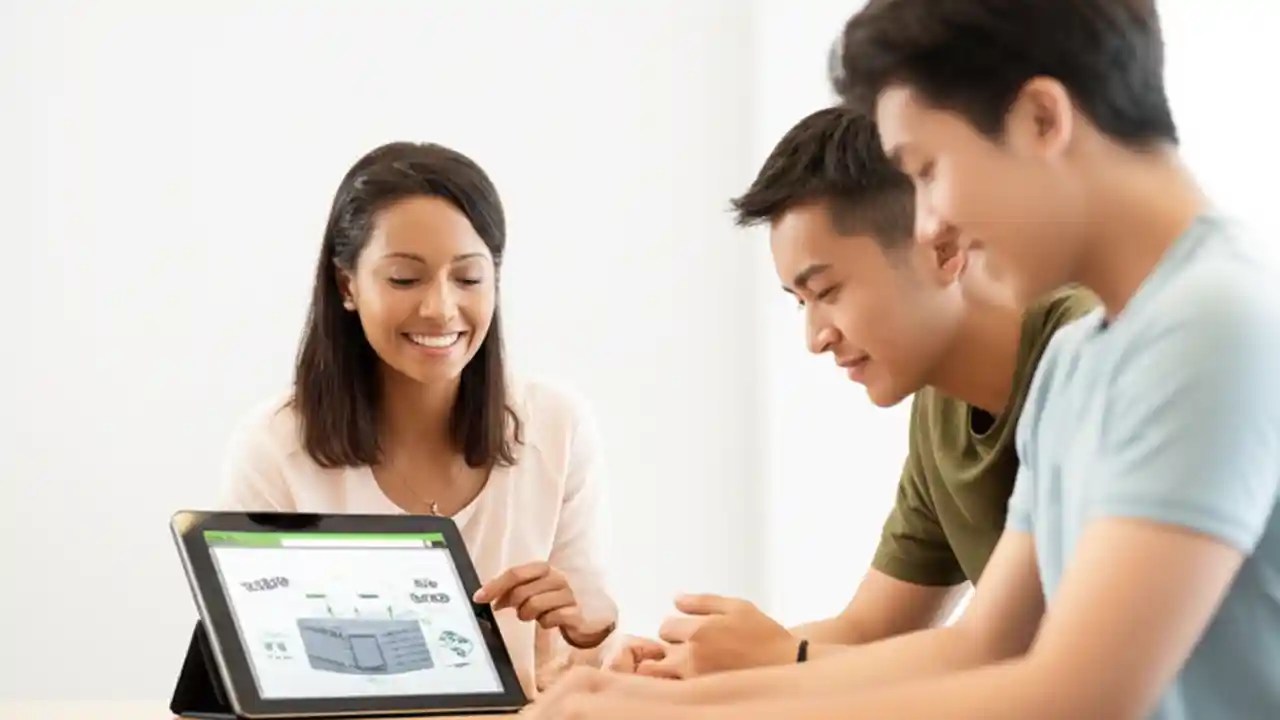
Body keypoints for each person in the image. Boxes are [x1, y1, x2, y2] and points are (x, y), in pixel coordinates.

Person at [527, 1, 1280, 718]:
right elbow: (978, 648)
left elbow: (1076, 695)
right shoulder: (1077, 362)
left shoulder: (1212, 322)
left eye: (926, 171)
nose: (932, 224)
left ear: (1041, 120)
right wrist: (662, 701)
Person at [608, 106, 1095, 680]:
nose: (815, 338)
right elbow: (870, 630)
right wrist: (693, 669)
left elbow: (1005, 652)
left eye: (828, 290)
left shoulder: (1090, 352)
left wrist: (776, 662)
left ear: (943, 247)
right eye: (800, 301)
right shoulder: (941, 401)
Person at [217, 141, 620, 696]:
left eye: (469, 278)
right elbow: (270, 674)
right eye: (405, 279)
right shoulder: (275, 447)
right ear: (347, 286)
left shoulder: (556, 425)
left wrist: (592, 623)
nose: (440, 308)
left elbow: (584, 668)